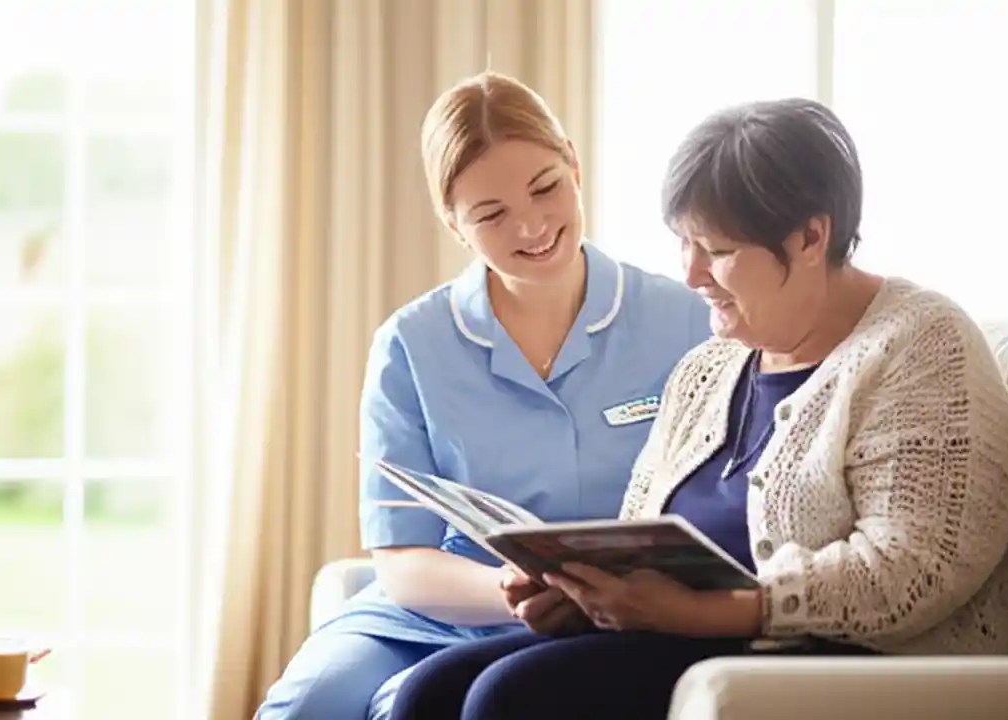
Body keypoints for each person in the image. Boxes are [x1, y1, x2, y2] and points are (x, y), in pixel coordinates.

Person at [388, 97, 1008, 720]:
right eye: (684, 244)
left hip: (837, 660)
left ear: (811, 236)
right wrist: (586, 595)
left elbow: (907, 572)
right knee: (428, 693)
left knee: (510, 699)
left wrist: (704, 613)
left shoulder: (920, 345)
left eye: (718, 251)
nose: (691, 274)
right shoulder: (709, 368)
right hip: (686, 642)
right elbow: (640, 531)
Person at [254, 72, 712, 720]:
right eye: (491, 214)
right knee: (309, 706)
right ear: (454, 223)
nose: (531, 225)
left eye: (545, 187)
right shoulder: (411, 343)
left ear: (574, 167)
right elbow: (402, 558)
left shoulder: (686, 320)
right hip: (449, 607)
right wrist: (508, 589)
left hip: (624, 615)